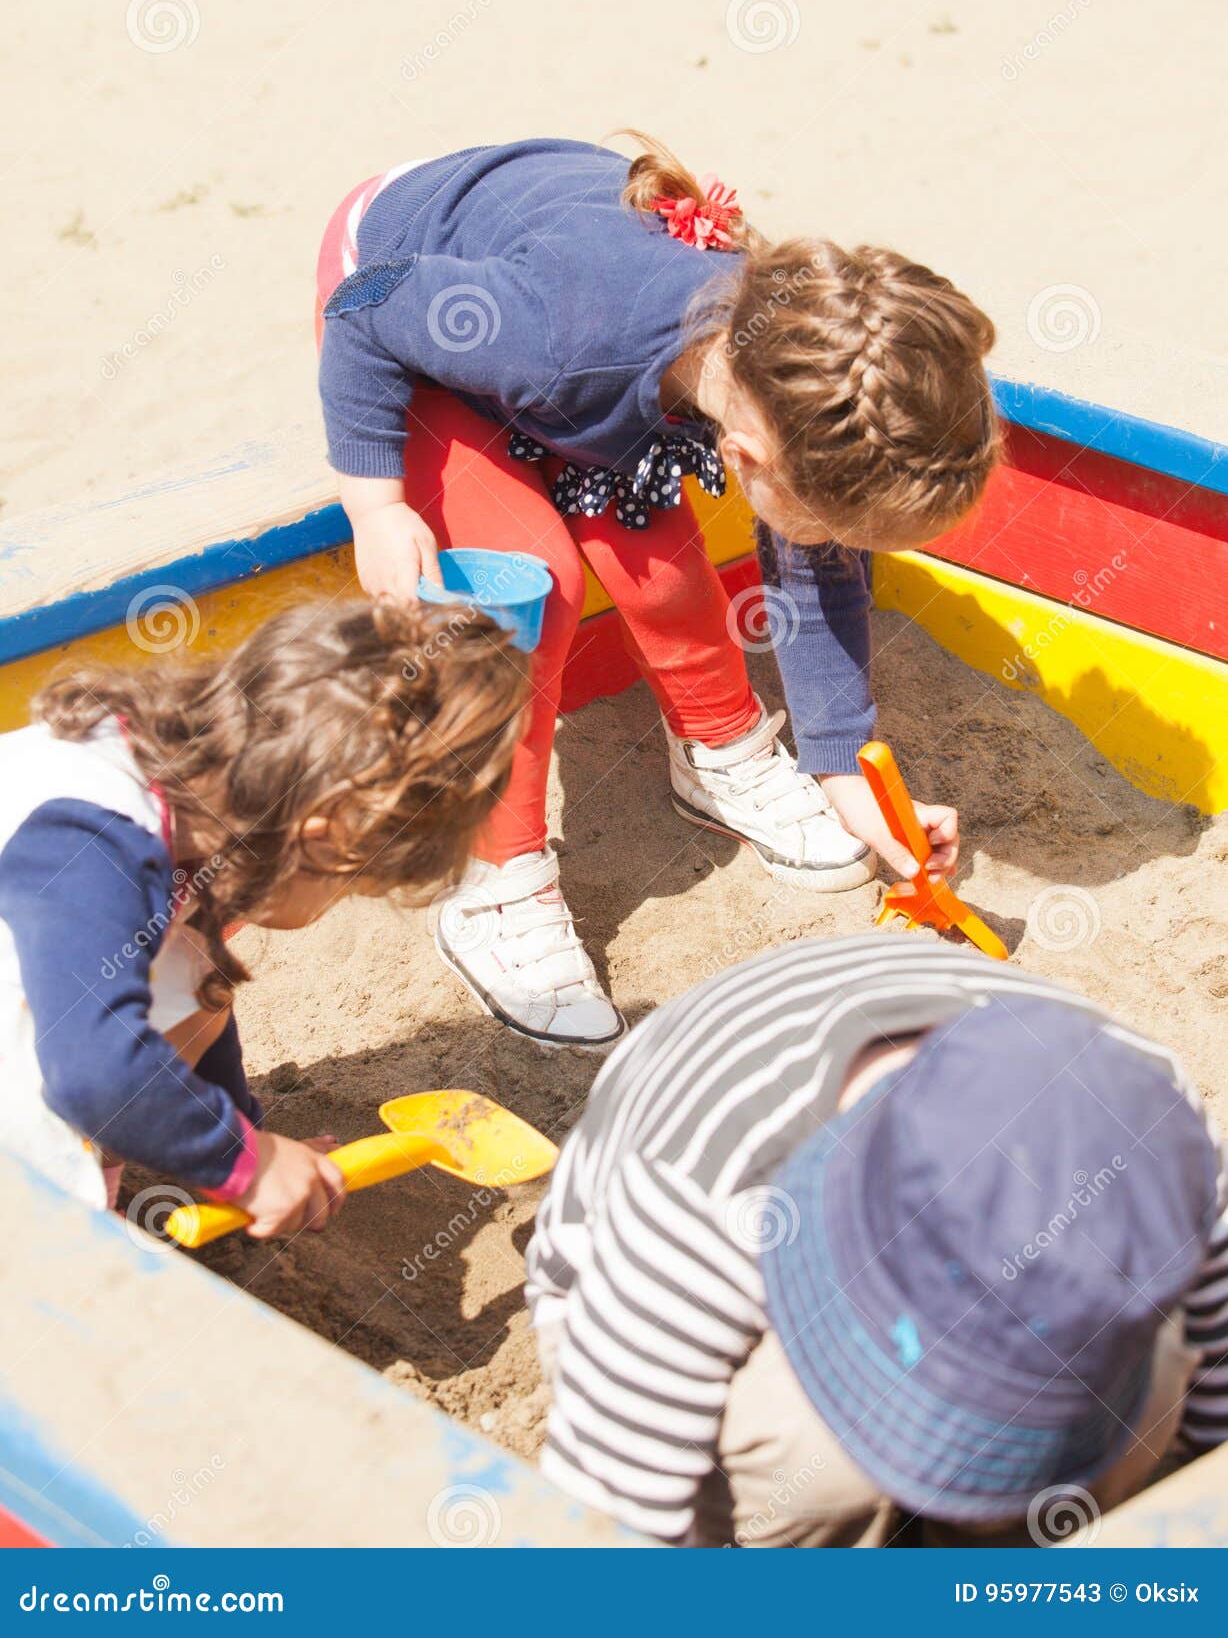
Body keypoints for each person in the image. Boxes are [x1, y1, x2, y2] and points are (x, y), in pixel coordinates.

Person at [315, 135, 997, 1048]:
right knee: (537, 577)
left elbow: (813, 561)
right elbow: (367, 309)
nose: (836, 550)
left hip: (561, 323)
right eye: (832, 527)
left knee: (658, 563)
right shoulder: (554, 341)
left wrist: (844, 765)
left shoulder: (793, 355)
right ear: (749, 454)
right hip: (399, 295)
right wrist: (375, 506)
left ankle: (722, 752)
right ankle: (495, 879)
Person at [525, 934, 1228, 1546]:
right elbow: (609, 1521)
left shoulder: (1154, 1135)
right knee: (818, 1466)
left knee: (1162, 1369)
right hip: (633, 1312)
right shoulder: (702, 1198)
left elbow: (1217, 1400)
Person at [0, 599, 526, 1236]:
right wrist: (246, 1164)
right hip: (59, 1071)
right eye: (353, 884)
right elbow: (91, 1070)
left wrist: (245, 1138)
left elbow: (192, 980)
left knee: (202, 982)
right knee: (92, 1085)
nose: (338, 902)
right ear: (324, 836)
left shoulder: (191, 784)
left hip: (59, 1013)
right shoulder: (89, 838)